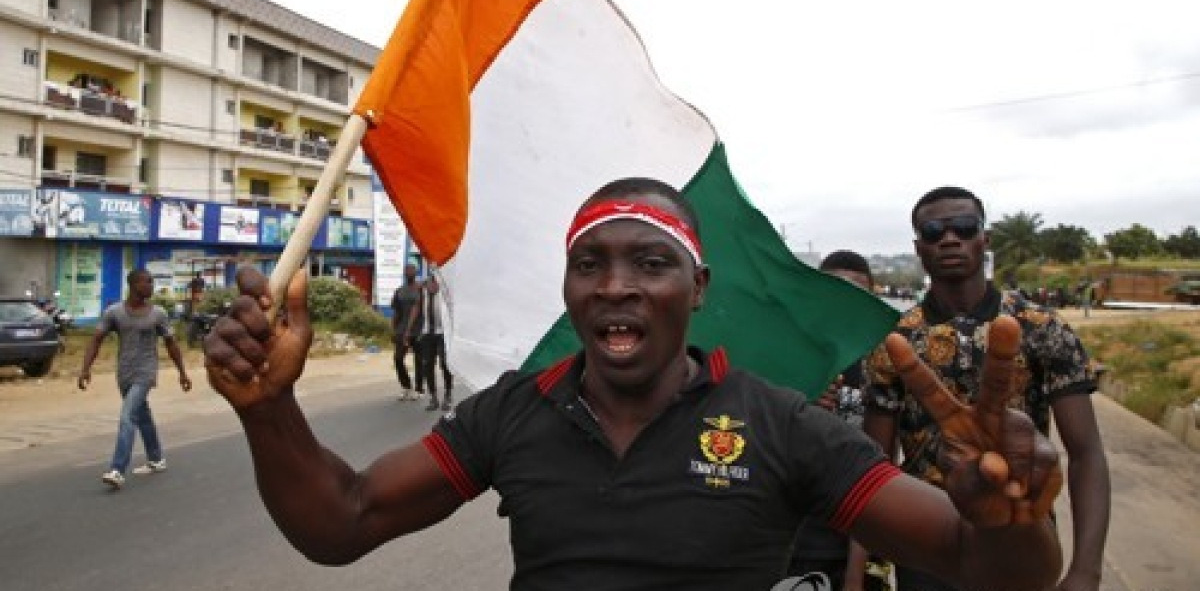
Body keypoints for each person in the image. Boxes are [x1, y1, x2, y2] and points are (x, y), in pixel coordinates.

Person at [204, 178, 1064, 590]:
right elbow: (344, 523)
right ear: (570, 286)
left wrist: (1012, 521)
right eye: (591, 264)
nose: (615, 286)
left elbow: (975, 561)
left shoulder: (780, 425)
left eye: (651, 263)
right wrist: (269, 411)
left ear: (698, 290)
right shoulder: (515, 412)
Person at [863, 186, 1110, 591]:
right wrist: (869, 567)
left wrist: (1087, 570)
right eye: (932, 231)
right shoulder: (895, 342)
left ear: (984, 239)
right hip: (926, 539)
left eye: (963, 226)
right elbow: (875, 463)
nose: (949, 238)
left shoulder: (1040, 328)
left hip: (1021, 533)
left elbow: (1086, 454)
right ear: (919, 248)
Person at [789, 250, 892, 590]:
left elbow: (880, 462)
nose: (847, 303)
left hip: (852, 536)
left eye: (858, 293)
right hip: (787, 540)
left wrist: (854, 575)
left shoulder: (883, 365)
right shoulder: (790, 359)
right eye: (836, 291)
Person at [78, 268, 192, 490]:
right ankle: (156, 458)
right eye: (147, 282)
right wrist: (85, 369)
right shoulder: (114, 313)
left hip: (146, 372)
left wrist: (182, 373)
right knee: (142, 416)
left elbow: (171, 344)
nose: (151, 286)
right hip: (124, 373)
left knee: (128, 416)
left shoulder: (158, 314)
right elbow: (96, 339)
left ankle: (117, 469)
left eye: (151, 282)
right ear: (133, 285)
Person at [415, 276, 453, 412]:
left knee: (444, 364)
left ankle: (448, 396)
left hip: (442, 334)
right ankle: (433, 398)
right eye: (429, 285)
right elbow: (417, 308)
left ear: (438, 284)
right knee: (427, 365)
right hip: (427, 334)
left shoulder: (444, 296)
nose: (431, 287)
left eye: (433, 285)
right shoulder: (423, 294)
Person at [389, 263, 424, 401]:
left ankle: (419, 389)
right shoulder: (399, 291)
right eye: (407, 270)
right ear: (404, 273)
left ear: (416, 273)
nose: (409, 272)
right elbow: (396, 312)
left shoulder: (421, 289)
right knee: (398, 359)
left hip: (419, 330)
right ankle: (406, 386)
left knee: (419, 360)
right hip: (401, 330)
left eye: (412, 270)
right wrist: (393, 330)